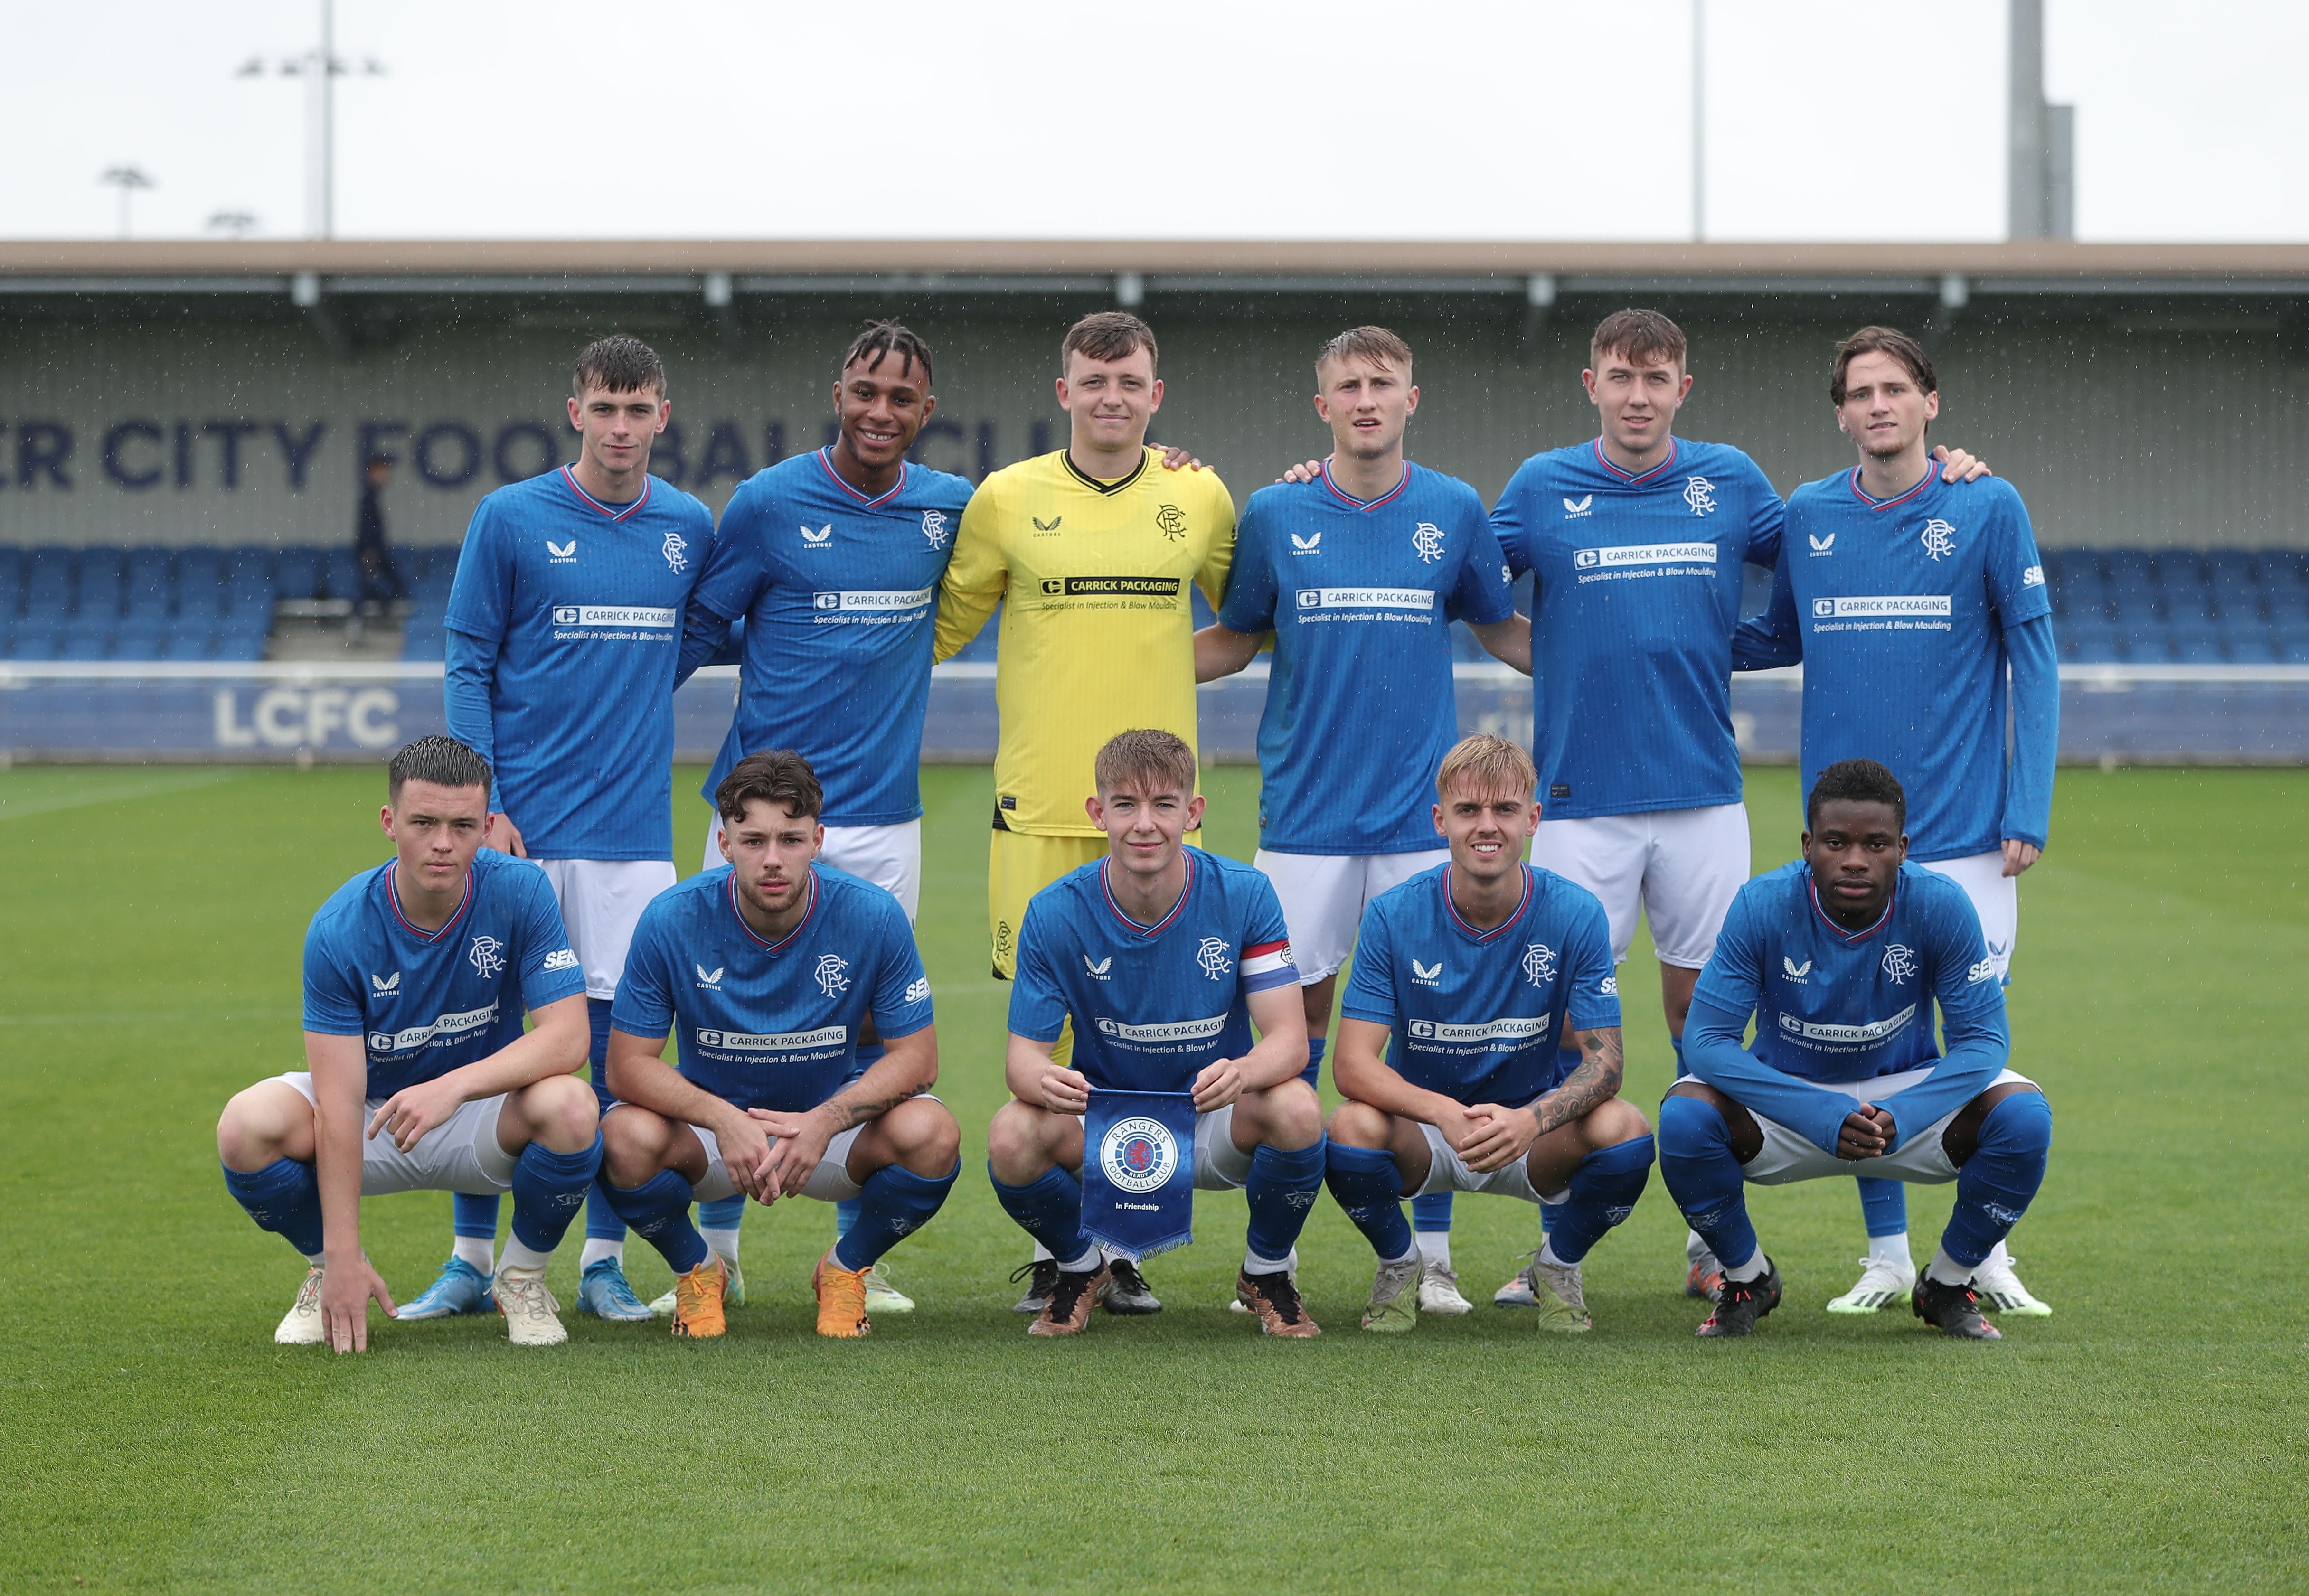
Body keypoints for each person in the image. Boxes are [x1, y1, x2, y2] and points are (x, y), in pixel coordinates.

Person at [1484, 308, 1990, 1310]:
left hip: (1703, 798)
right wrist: (1548, 660)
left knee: (1697, 1014)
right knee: (1561, 1018)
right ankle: (1556, 1249)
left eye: (1657, 376)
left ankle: (1707, 1242)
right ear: (1591, 384)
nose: (1637, 394)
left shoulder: (1732, 483)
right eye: (1620, 377)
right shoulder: (1541, 487)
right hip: (1578, 801)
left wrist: (1945, 471)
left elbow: (1844, 527)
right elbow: (1450, 576)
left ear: (1683, 387)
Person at [1195, 324, 1529, 1316]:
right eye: (1349, 383)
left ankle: (1426, 1257)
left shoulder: (1453, 509)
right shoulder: (1274, 511)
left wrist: (1622, 664)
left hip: (1419, 828)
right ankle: (1274, 1261)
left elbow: (1501, 630)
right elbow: (1232, 639)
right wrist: (1110, 664)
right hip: (1301, 822)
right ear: (1323, 405)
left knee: (1425, 1042)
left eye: (1383, 381)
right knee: (1285, 1046)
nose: (1367, 397)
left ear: (1411, 398)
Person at [1734, 326, 2057, 1318]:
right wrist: (1652, 635)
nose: (1877, 405)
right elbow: (1775, 634)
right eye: (1859, 392)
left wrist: (2026, 808)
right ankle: (1882, 1253)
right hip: (1842, 840)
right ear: (1839, 414)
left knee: (1965, 1046)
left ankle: (1976, 1252)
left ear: (1929, 402)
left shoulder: (1985, 504)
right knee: (1855, 1041)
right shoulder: (1808, 513)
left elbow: (2034, 658)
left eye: (1894, 388)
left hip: (1961, 834)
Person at [934, 311, 1236, 1317]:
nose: (1112, 396)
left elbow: (1248, 623)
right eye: (1093, 380)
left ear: (1157, 393)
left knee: (1143, 1037)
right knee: (1045, 1052)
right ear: (1063, 392)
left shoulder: (1197, 494)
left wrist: (1151, 661)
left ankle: (1126, 1240)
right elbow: (934, 630)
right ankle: (1070, 1246)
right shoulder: (1006, 498)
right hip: (1038, 811)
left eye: (1131, 380)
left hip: (1155, 817)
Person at [419, 334, 716, 1325]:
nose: (621, 427)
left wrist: (623, 698)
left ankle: (598, 1259)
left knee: (604, 1057)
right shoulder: (508, 518)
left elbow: (694, 640)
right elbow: (467, 662)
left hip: (634, 838)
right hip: (519, 830)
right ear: (575, 411)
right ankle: (468, 1258)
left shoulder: (687, 525)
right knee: (492, 1037)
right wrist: (483, 806)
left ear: (661, 416)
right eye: (604, 407)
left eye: (638, 409)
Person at [215, 736, 601, 1351]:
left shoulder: (523, 889)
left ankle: (520, 1275)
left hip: (475, 1117)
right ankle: (326, 1270)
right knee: (245, 1125)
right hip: (371, 1118)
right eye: (423, 822)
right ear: (390, 823)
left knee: (573, 1107)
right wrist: (341, 1251)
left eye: (462, 825)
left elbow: (568, 1036)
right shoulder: (340, 928)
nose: (443, 842)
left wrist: (453, 1087)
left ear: (488, 827)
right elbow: (338, 1103)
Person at [1657, 758, 2052, 1339]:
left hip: (1904, 1101)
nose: (1855, 860)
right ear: (1808, 843)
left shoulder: (1941, 903)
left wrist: (1904, 1114)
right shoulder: (1761, 904)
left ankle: (1946, 1284)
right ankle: (1748, 1278)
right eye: (1837, 842)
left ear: (1902, 847)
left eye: (1876, 843)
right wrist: (1816, 1111)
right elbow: (1707, 1041)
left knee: (2023, 1115)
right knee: (1684, 1118)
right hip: (1789, 1105)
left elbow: (1986, 1040)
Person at [597, 751, 959, 1339]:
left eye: (790, 839)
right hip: (714, 1138)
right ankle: (698, 1269)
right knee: (622, 1137)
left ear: (818, 839)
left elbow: (920, 1059)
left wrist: (824, 1120)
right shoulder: (670, 919)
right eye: (754, 839)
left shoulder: (873, 915)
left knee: (933, 1135)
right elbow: (626, 1067)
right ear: (724, 842)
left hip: (827, 1131)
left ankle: (845, 1268)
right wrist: (721, 1117)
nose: (772, 859)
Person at [988, 729, 1321, 1337]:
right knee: (1011, 1134)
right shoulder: (1055, 911)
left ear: (1193, 813)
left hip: (1213, 1115)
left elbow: (1290, 1042)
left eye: (1164, 804)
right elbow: (1022, 1063)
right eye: (1125, 805)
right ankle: (1081, 1266)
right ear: (1097, 813)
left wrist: (1243, 1072)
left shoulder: (1243, 893)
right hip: (1107, 1122)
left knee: (1298, 1108)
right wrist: (1046, 1080)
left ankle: (1266, 1272)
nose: (1145, 824)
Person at [1322, 735, 1652, 1333]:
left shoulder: (1576, 912)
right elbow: (1351, 1066)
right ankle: (1401, 1264)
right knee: (1349, 1127)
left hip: (1531, 1132)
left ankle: (1557, 1267)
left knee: (1625, 1129)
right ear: (1440, 819)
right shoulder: (1394, 914)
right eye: (1469, 810)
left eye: (1504, 809)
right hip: (1426, 1131)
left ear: (1533, 818)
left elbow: (1606, 1063)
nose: (1487, 826)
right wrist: (1444, 1113)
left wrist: (1532, 1119)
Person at [354, 453, 406, 608]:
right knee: (371, 585)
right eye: (383, 471)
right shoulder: (368, 498)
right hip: (373, 552)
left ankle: (379, 611)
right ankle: (358, 619)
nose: (387, 475)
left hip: (376, 550)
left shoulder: (373, 496)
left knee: (393, 584)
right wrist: (369, 550)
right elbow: (367, 526)